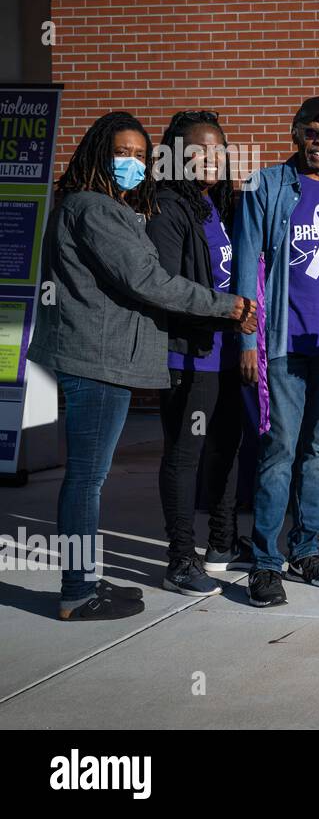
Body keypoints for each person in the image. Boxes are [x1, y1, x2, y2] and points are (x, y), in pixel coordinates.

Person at [28, 111, 256, 620]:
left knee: (91, 478)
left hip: (106, 357)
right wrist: (229, 307)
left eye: (138, 155)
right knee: (86, 479)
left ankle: (84, 581)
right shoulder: (94, 209)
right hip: (98, 359)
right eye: (121, 153)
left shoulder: (108, 207)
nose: (130, 163)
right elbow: (149, 279)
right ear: (96, 153)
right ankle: (77, 592)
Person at [233, 97, 319, 608]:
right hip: (282, 345)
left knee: (315, 454)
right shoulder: (265, 186)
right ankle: (265, 564)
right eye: (312, 132)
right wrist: (249, 339)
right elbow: (247, 264)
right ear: (296, 134)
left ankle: (306, 550)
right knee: (279, 452)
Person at [147, 109, 255, 596]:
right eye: (197, 149)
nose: (209, 158)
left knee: (227, 447)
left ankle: (222, 543)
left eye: (217, 149)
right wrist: (230, 309)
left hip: (228, 352)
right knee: (185, 454)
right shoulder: (167, 208)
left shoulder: (218, 206)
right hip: (188, 355)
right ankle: (178, 558)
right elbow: (168, 288)